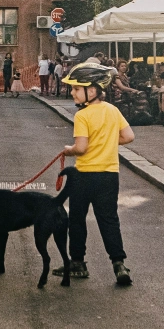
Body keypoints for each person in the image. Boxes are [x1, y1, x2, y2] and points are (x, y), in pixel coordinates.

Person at [58, 62, 135, 287]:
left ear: (91, 91)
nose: (72, 92)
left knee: (77, 219)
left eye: (75, 88)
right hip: (109, 174)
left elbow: (81, 148)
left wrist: (68, 150)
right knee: (109, 219)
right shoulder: (113, 110)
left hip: (83, 176)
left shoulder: (83, 116)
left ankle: (78, 263)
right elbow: (129, 136)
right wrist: (108, 142)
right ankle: (119, 264)